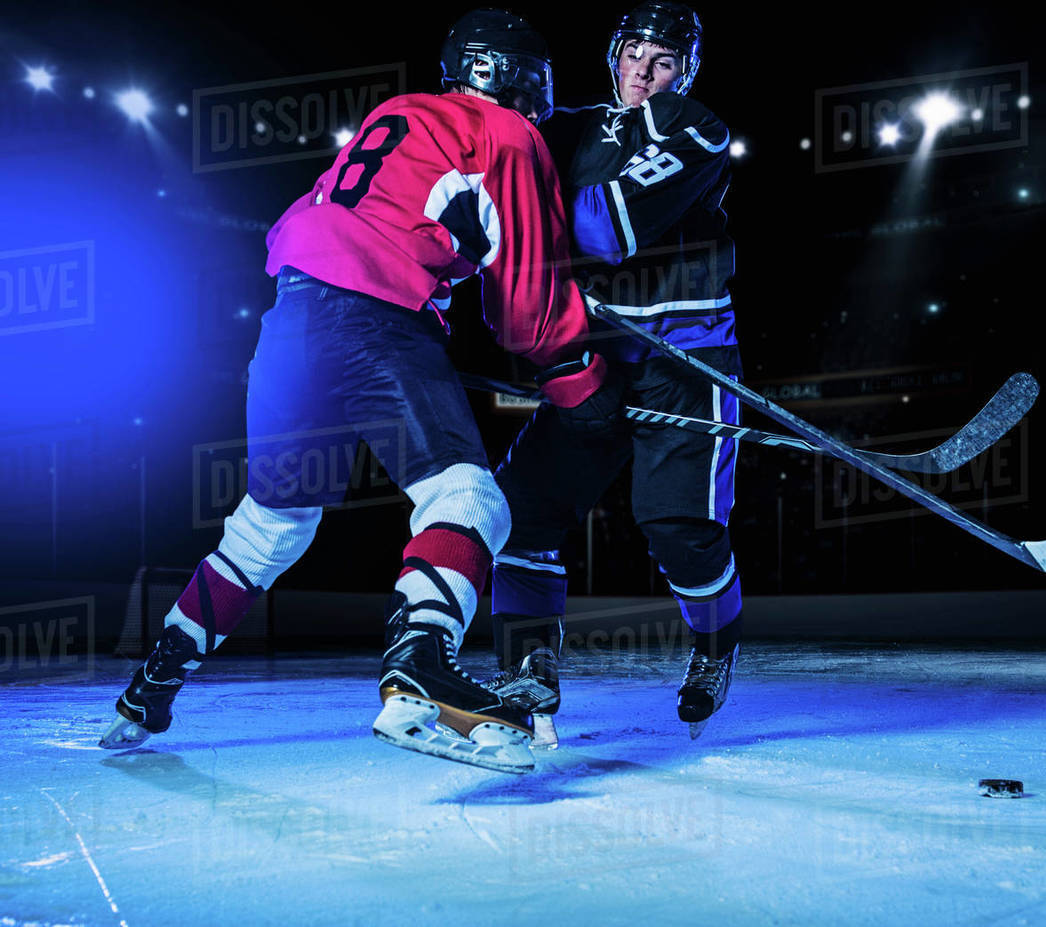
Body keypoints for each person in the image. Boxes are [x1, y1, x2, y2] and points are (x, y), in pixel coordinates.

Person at [99, 9, 621, 775]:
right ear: (513, 76)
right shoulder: (511, 136)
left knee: (271, 525)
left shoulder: (399, 110)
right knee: (470, 500)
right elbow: (526, 312)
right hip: (374, 313)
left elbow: (349, 220)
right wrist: (583, 378)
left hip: (292, 316)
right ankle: (418, 671)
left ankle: (151, 686)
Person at [488, 1, 741, 742]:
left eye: (663, 60)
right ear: (614, 52)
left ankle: (715, 649)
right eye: (635, 52)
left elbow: (603, 228)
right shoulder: (568, 125)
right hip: (592, 353)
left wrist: (526, 205)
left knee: (679, 526)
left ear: (684, 71)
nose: (644, 70)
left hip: (685, 355)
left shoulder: (697, 128)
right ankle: (529, 663)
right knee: (520, 513)